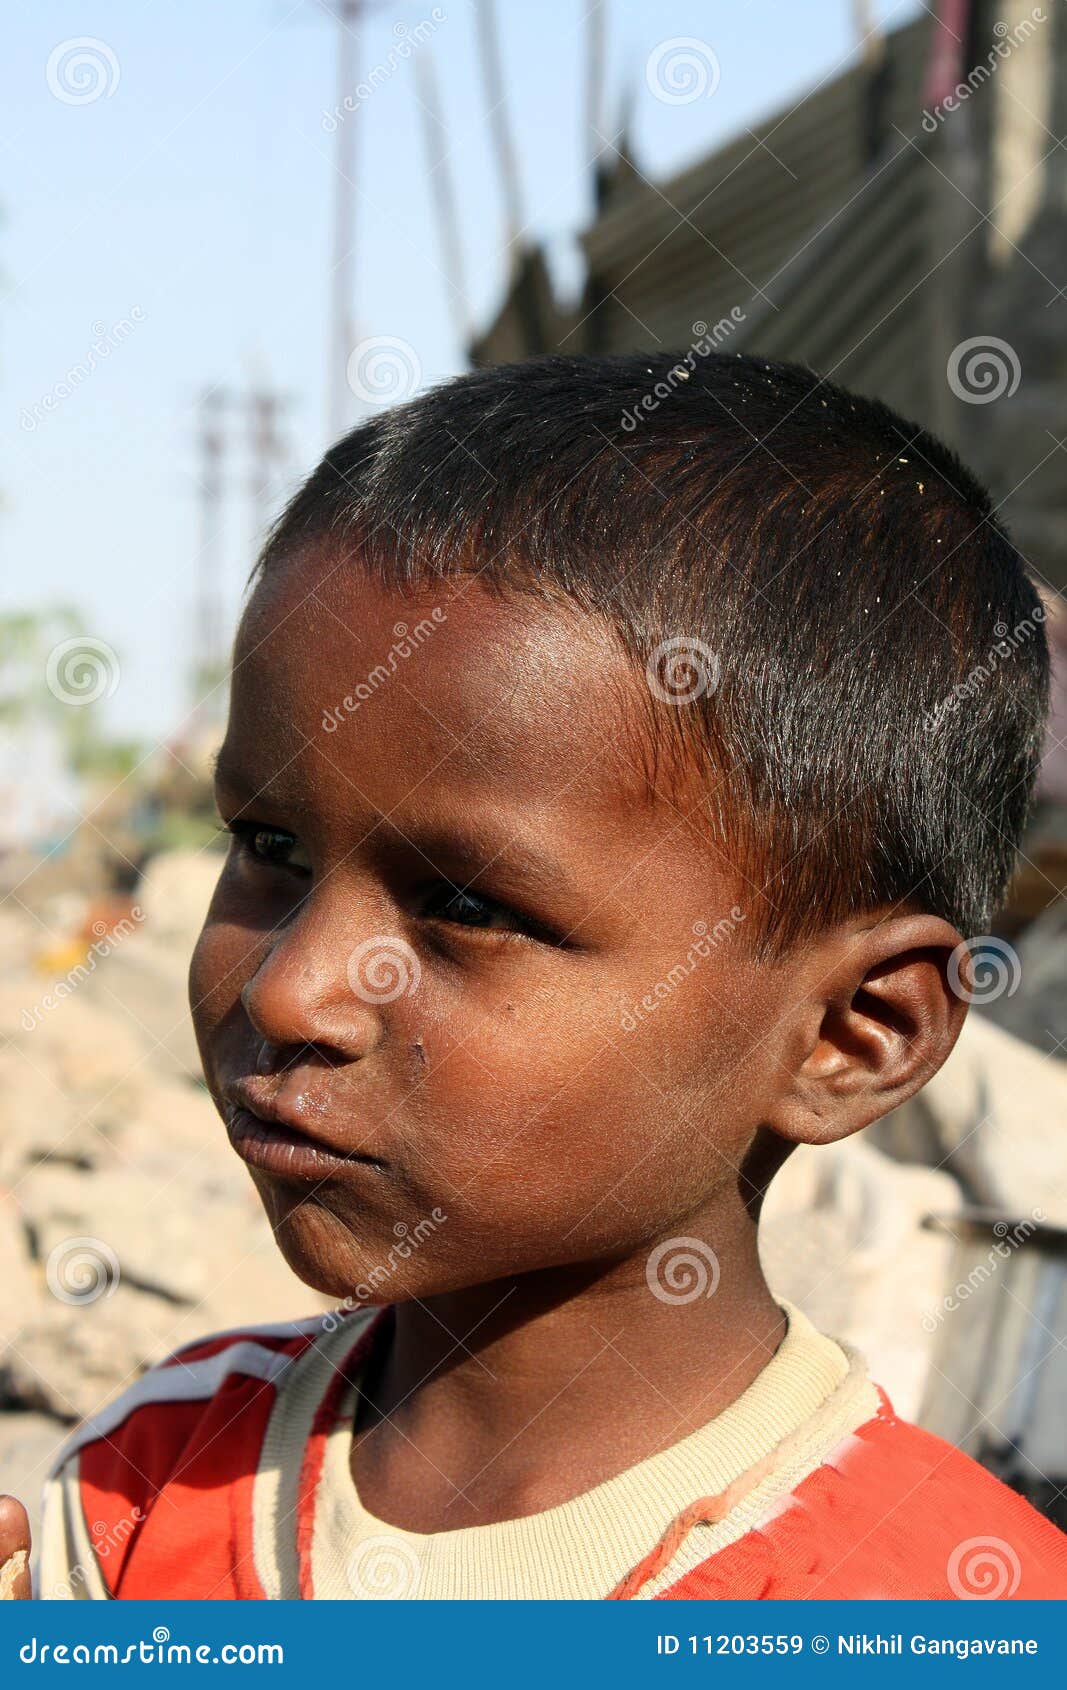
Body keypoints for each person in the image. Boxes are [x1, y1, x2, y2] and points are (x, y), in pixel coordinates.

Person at [6, 353, 1066, 1599]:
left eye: (468, 907)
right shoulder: (139, 1496)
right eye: (268, 848)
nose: (289, 993)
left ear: (850, 1031)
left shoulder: (945, 1603)